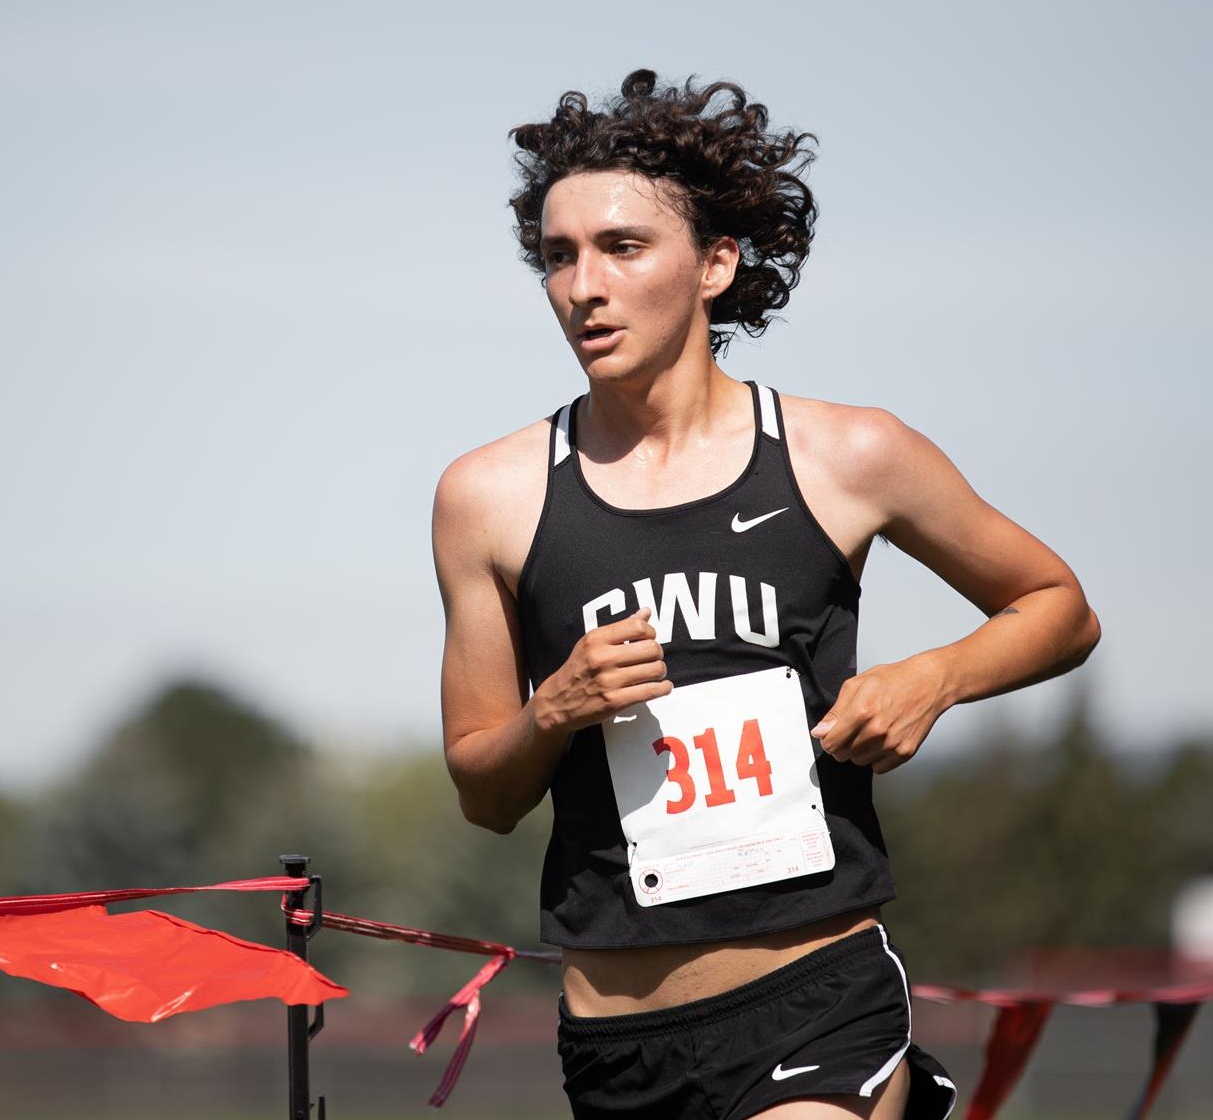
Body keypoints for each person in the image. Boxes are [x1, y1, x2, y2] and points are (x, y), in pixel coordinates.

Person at [430, 70, 1100, 1120]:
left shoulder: (850, 455)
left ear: (715, 264)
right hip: (616, 1044)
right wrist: (553, 707)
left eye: (621, 247)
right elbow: (482, 790)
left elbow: (1057, 604)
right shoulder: (486, 498)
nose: (581, 287)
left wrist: (935, 677)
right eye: (557, 257)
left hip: (814, 1004)